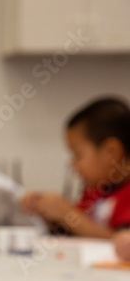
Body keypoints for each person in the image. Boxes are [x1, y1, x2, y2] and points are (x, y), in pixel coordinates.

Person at [23, 98, 130, 237]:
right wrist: (50, 215)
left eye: (78, 155)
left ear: (110, 151)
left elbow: (122, 242)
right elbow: (75, 233)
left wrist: (67, 213)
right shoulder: (95, 190)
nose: (73, 164)